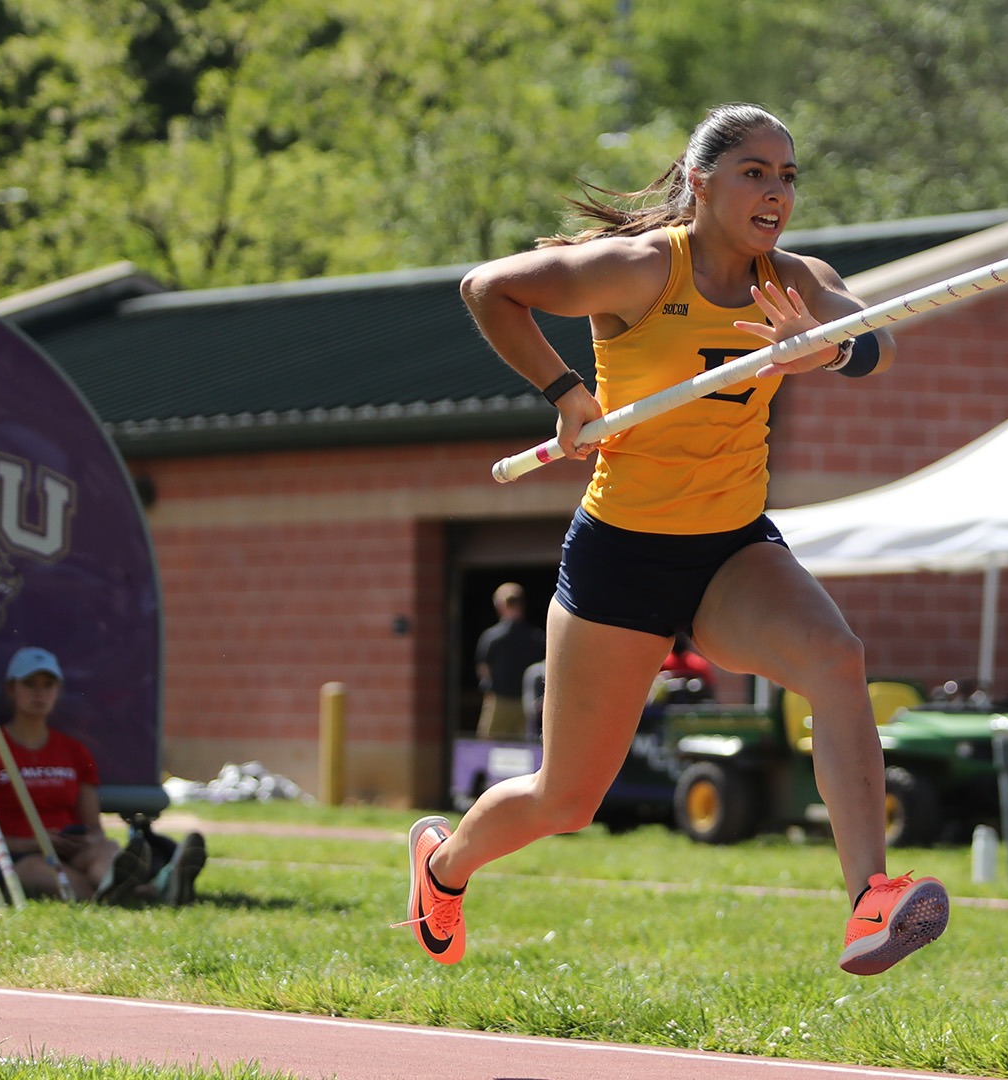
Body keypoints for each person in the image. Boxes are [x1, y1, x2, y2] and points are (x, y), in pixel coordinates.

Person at [405, 104, 946, 975]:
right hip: (622, 552)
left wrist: (827, 353)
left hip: (731, 547)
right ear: (701, 183)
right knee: (567, 799)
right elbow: (488, 288)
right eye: (755, 173)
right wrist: (565, 392)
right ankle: (442, 865)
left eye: (788, 176)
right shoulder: (644, 269)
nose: (776, 192)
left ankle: (868, 905)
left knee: (836, 661)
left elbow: (875, 337)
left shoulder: (797, 280)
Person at [0, 647, 207, 904]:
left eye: (48, 685)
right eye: (30, 684)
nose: (40, 692)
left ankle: (133, 888)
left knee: (105, 849)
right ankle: (157, 891)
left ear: (58, 691)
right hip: (19, 857)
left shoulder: (75, 751)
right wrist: (32, 843)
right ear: (11, 689)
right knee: (68, 880)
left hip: (74, 850)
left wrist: (85, 839)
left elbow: (94, 828)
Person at [474, 582, 547, 739]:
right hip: (527, 703)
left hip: (499, 702)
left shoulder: (491, 637)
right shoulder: (537, 637)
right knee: (522, 750)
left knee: (489, 747)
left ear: (500, 605)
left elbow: (484, 670)